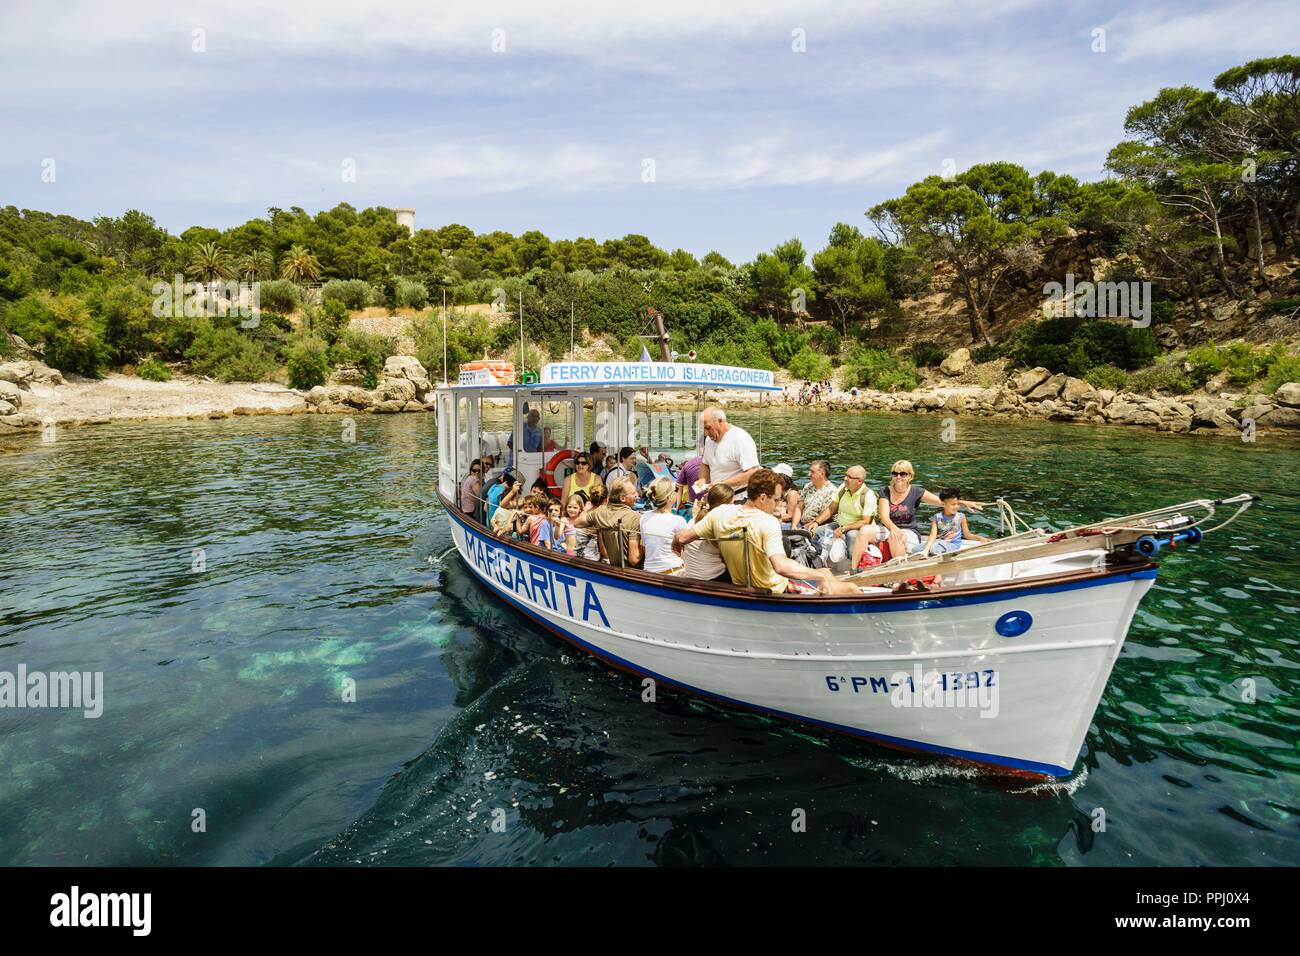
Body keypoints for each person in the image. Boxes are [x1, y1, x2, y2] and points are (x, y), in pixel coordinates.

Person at [672, 469, 861, 595]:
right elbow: (780, 567)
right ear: (763, 497)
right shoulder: (767, 522)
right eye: (777, 499)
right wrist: (819, 574)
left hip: (740, 586)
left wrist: (675, 545)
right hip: (773, 589)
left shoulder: (720, 513)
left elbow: (681, 537)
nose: (779, 505)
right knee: (851, 588)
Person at [879, 460, 985, 557]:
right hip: (889, 529)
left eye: (902, 474)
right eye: (895, 473)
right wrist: (893, 528)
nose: (898, 477)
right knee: (865, 532)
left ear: (910, 476)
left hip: (908, 531)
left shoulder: (917, 492)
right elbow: (884, 516)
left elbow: (942, 502)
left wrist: (964, 503)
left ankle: (900, 572)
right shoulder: (884, 491)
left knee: (896, 537)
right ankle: (861, 572)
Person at [809, 465, 880, 569]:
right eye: (845, 475)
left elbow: (866, 522)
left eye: (849, 477)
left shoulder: (868, 495)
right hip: (840, 524)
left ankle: (854, 566)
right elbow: (831, 509)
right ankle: (818, 561)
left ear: (859, 481)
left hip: (858, 529)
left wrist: (844, 528)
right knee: (818, 531)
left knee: (852, 536)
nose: (845, 478)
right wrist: (816, 522)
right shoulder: (843, 488)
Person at [577, 476, 642, 568]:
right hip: (633, 574)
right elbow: (634, 560)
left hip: (613, 568)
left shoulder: (600, 512)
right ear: (622, 498)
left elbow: (577, 522)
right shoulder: (635, 517)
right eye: (633, 493)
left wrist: (590, 508)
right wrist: (644, 549)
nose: (637, 495)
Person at [699, 407, 759, 499]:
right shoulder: (709, 440)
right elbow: (705, 464)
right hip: (717, 498)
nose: (705, 433)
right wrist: (702, 480)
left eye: (708, 428)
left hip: (738, 499)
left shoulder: (740, 438)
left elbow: (753, 472)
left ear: (720, 421)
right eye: (703, 429)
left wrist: (723, 484)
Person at [679, 483, 734, 582]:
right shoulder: (719, 525)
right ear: (725, 505)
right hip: (713, 578)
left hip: (692, 575)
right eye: (733, 503)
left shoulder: (692, 521)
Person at [639, 477, 687, 574]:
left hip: (649, 572)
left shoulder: (644, 517)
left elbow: (645, 548)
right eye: (675, 490)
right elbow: (686, 551)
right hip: (673, 572)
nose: (677, 492)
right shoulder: (678, 520)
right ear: (670, 497)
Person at [925, 488, 989, 554]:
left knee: (934, 548)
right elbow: (933, 534)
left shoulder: (961, 516)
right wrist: (927, 547)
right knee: (917, 548)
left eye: (958, 504)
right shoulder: (937, 517)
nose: (956, 507)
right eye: (953, 504)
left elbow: (967, 535)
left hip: (953, 545)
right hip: (939, 542)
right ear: (943, 504)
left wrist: (981, 538)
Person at [799, 460, 839, 535]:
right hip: (801, 523)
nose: (808, 474)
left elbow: (826, 515)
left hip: (816, 526)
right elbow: (799, 507)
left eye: (812, 472)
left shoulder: (831, 491)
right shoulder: (808, 486)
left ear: (822, 474)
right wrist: (794, 525)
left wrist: (806, 526)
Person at [770, 463, 802, 527]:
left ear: (783, 478)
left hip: (790, 524)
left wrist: (771, 518)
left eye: (775, 475)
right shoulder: (780, 491)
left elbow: (790, 516)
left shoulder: (792, 494)